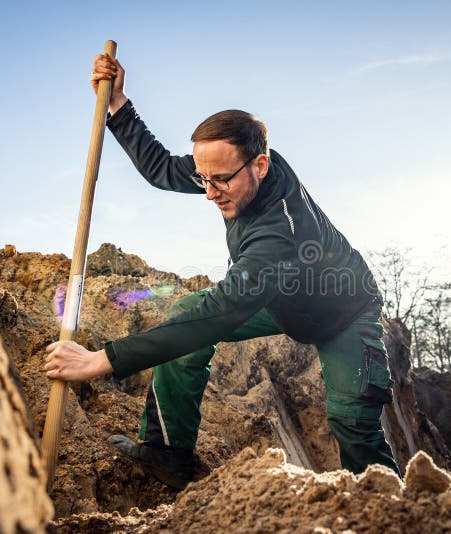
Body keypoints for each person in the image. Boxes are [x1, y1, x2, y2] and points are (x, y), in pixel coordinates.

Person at [43, 52, 400, 489]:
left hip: (342, 310)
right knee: (184, 314)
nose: (209, 193)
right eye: (202, 178)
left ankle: (395, 511)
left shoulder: (278, 234)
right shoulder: (235, 167)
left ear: (261, 165)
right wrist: (118, 102)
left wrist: (100, 360)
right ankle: (167, 453)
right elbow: (159, 168)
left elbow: (222, 313)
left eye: (219, 182)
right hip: (281, 297)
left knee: (353, 426)